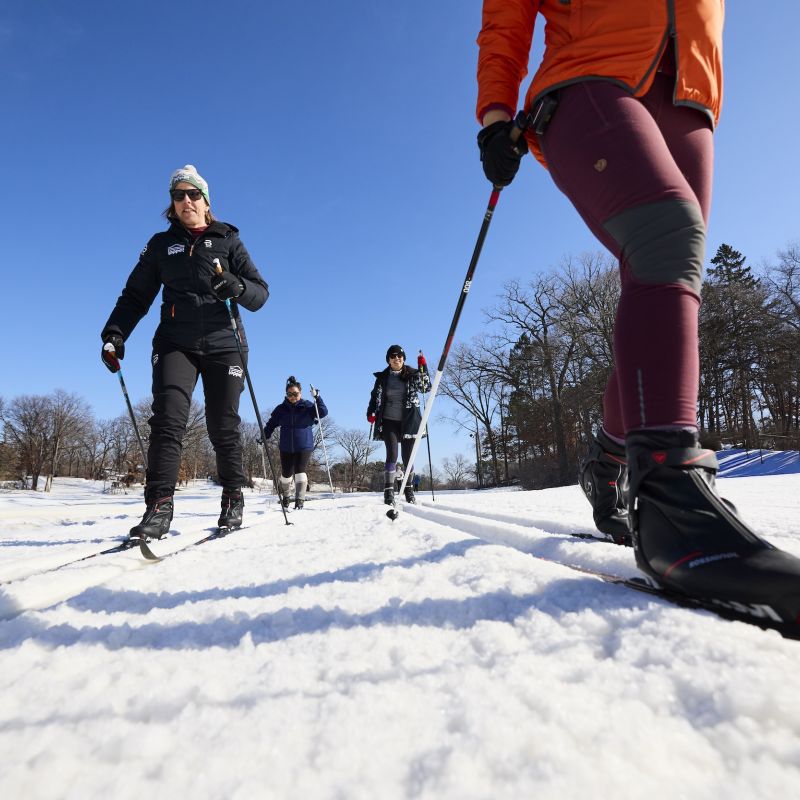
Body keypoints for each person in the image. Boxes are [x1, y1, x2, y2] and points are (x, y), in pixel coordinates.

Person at [476, 2, 800, 621]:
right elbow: (506, 15)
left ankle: (613, 454)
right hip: (591, 77)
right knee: (666, 239)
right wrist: (496, 111)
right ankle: (670, 508)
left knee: (668, 285)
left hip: (691, 95)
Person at [101, 165, 269, 540]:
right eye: (179, 195)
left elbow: (260, 293)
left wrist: (236, 285)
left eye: (194, 194)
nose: (186, 201)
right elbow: (134, 297)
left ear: (207, 202)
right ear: (172, 205)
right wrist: (115, 334)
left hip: (226, 342)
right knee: (168, 420)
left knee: (222, 425)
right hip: (175, 342)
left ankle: (232, 496)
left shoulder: (228, 240)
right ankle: (159, 506)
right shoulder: (161, 246)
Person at [367, 345, 431, 505]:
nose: (397, 359)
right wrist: (371, 412)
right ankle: (388, 491)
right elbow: (375, 397)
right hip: (389, 420)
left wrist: (423, 367)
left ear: (404, 358)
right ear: (388, 360)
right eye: (393, 356)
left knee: (408, 457)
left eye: (400, 356)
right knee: (392, 454)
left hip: (409, 421)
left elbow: (425, 387)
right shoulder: (382, 378)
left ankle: (408, 489)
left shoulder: (413, 374)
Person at [263, 376, 327, 510]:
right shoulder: (281, 409)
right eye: (289, 394)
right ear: (286, 394)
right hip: (286, 446)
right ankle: (286, 497)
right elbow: (271, 424)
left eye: (295, 394)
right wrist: (264, 436)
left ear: (300, 393)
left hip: (304, 445)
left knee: (299, 471)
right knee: (286, 475)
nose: (293, 396)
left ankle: (300, 500)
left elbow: (322, 412)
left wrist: (317, 398)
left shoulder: (308, 406)